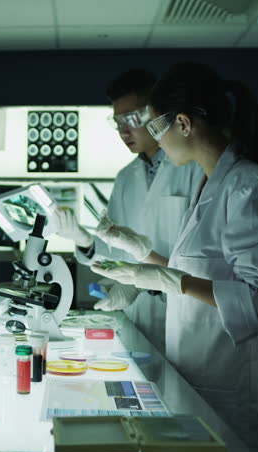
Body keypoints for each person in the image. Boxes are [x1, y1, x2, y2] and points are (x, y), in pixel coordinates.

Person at [92, 63, 258, 452]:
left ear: (183, 123)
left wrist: (170, 280)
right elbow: (207, 268)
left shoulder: (247, 187)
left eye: (155, 124)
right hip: (213, 371)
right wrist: (145, 257)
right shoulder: (214, 183)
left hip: (249, 384)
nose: (154, 137)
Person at [54, 69, 203, 351]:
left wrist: (143, 279)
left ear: (158, 113)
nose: (125, 130)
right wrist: (85, 241)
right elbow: (117, 249)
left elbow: (206, 262)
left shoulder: (194, 167)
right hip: (140, 318)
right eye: (118, 121)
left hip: (188, 314)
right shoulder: (126, 177)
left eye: (133, 118)